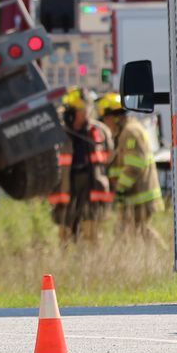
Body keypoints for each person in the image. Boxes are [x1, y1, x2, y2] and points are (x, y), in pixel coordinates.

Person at [95, 92, 165, 247]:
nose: (105, 124)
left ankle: (162, 253)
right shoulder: (122, 133)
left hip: (139, 195)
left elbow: (134, 164)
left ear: (114, 117)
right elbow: (118, 165)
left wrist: (119, 188)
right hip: (132, 196)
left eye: (105, 119)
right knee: (129, 231)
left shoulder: (130, 132)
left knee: (138, 230)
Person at [48, 87, 114, 243]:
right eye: (80, 110)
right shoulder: (57, 133)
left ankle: (91, 264)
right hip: (66, 187)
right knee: (65, 235)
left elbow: (110, 157)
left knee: (91, 234)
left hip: (91, 187)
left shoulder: (99, 131)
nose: (84, 114)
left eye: (86, 109)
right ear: (70, 112)